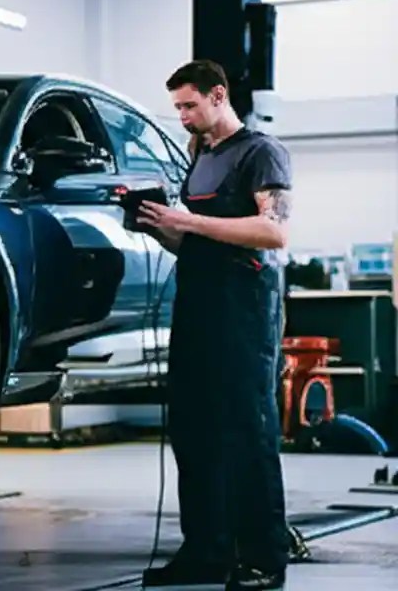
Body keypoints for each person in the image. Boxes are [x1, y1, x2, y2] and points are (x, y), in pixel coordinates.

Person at [135, 60, 293, 590]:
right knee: (194, 429)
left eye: (189, 105)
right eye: (177, 107)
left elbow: (273, 233)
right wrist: (160, 225)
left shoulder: (260, 152)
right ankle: (206, 550)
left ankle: (264, 558)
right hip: (197, 303)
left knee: (248, 430)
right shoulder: (198, 154)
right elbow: (194, 241)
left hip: (244, 307)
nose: (182, 117)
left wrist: (190, 220)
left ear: (218, 95)